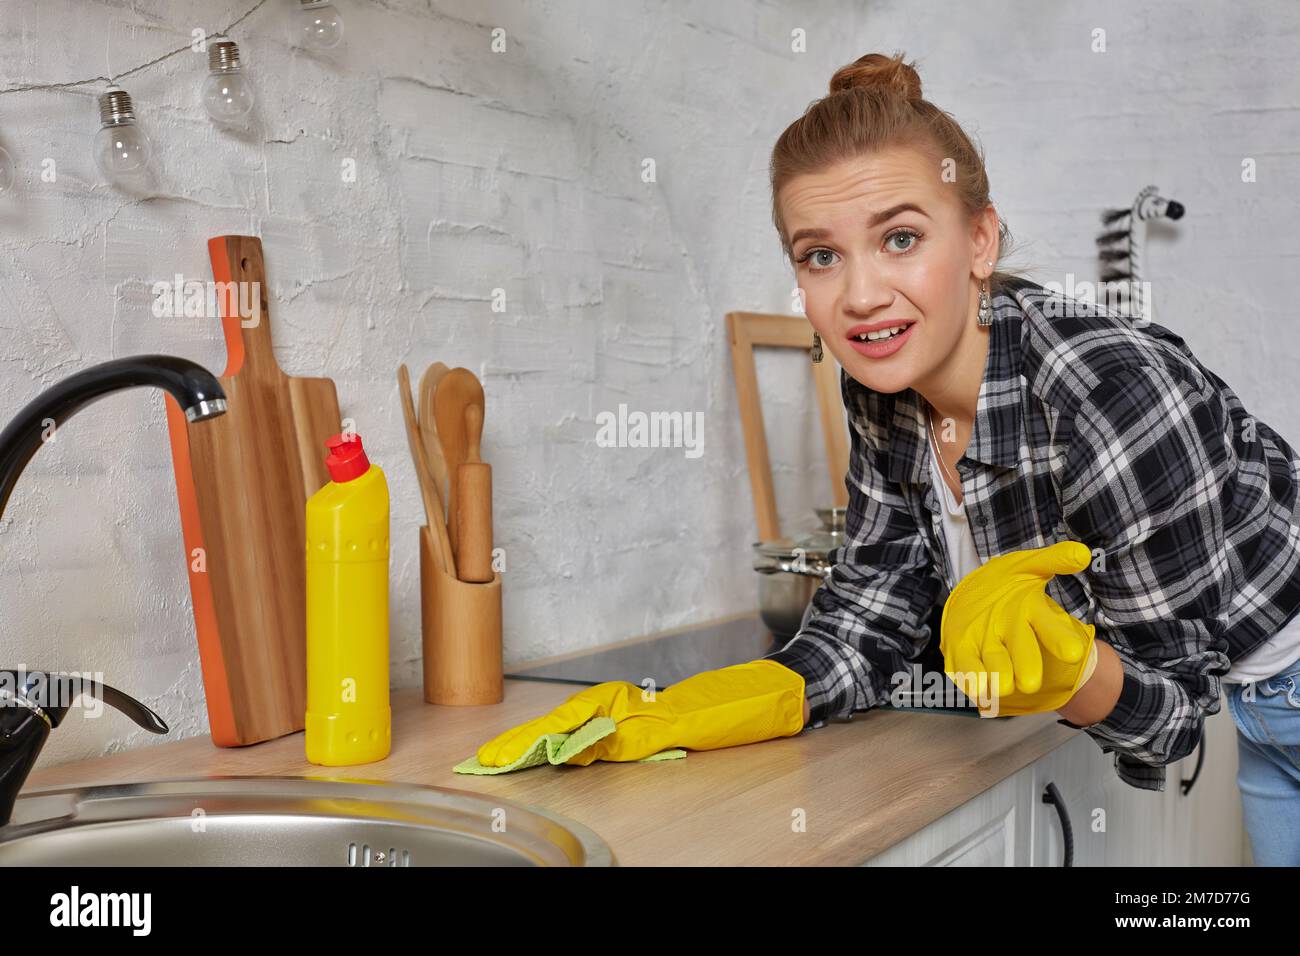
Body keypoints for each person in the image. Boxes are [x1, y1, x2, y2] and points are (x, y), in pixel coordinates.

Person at [473, 51, 1300, 867]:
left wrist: (1072, 666)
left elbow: (1174, 711)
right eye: (820, 256)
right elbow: (872, 607)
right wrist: (718, 707)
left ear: (980, 239)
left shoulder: (1109, 393)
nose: (859, 295)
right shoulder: (881, 387)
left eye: (899, 238)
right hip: (1259, 704)